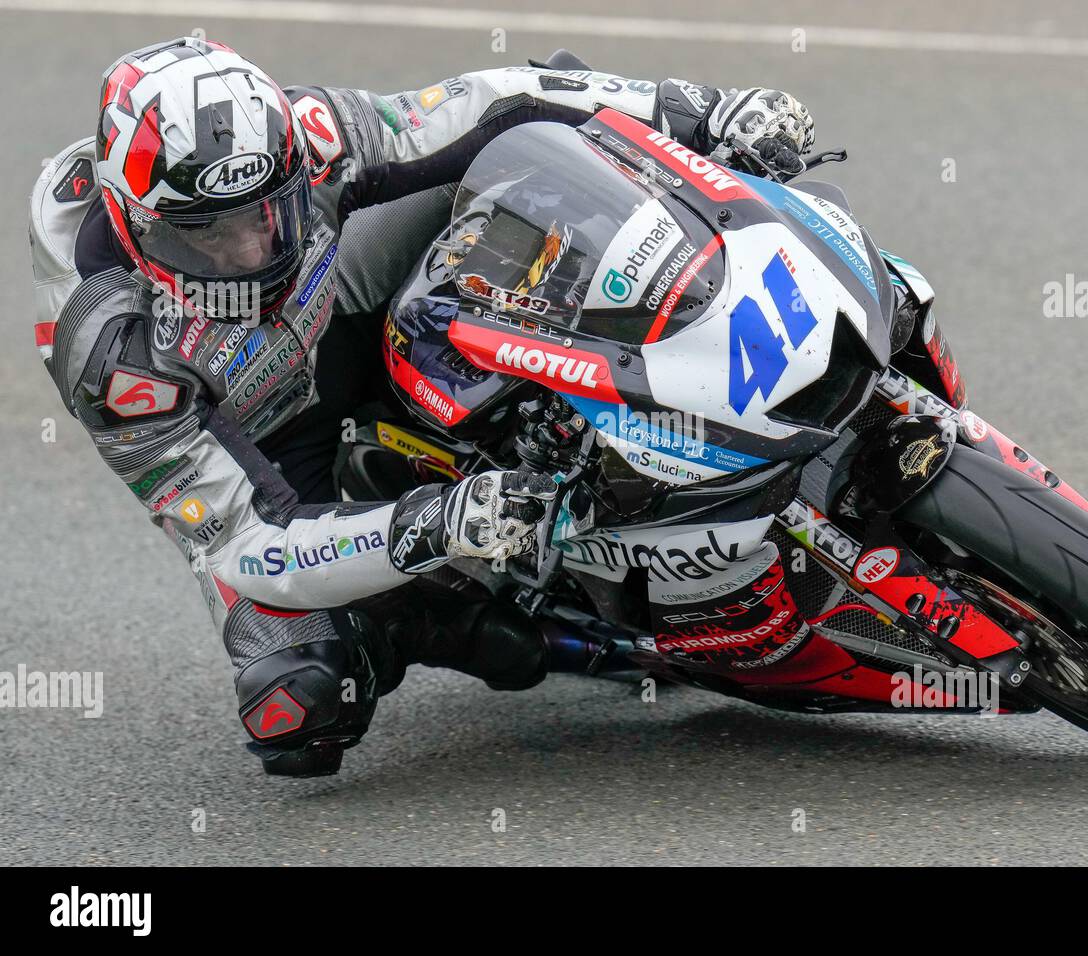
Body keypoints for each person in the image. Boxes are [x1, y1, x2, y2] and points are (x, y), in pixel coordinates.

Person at [28, 35, 817, 776]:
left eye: (263, 217)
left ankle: (698, 320)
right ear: (135, 225)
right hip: (261, 443)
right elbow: (244, 541)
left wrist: (694, 109)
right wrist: (439, 525)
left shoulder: (307, 136)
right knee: (299, 706)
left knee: (544, 149)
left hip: (344, 304)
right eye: (207, 238)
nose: (245, 255)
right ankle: (455, 618)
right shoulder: (112, 353)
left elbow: (494, 100)